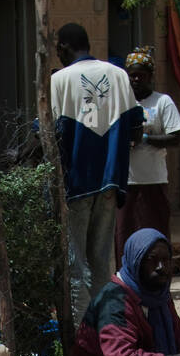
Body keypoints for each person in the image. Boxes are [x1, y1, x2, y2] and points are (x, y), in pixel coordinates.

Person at [51, 23, 143, 324]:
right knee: (101, 263)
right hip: (110, 183)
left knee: (75, 266)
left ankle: (81, 336)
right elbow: (136, 128)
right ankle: (109, 331)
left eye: (56, 48)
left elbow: (49, 136)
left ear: (63, 47)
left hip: (76, 185)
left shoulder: (59, 80)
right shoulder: (118, 75)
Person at [115, 47, 180, 266]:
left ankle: (156, 279)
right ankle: (126, 281)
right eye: (132, 75)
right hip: (125, 182)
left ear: (150, 76)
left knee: (155, 233)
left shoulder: (162, 102)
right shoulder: (120, 103)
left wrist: (144, 138)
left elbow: (176, 137)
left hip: (153, 180)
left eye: (141, 75)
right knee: (124, 235)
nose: (136, 79)